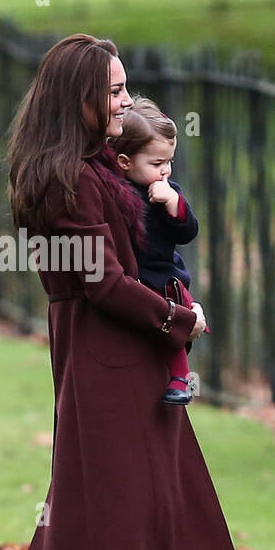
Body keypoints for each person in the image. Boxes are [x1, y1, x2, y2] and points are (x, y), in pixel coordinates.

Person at [0, 35, 234, 550]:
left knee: (184, 536)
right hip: (108, 369)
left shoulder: (101, 163)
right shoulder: (62, 180)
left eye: (125, 88)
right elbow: (101, 284)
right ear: (77, 98)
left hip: (140, 362)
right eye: (112, 91)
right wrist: (177, 316)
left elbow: (149, 229)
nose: (124, 102)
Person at [110, 97, 206, 405]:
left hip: (164, 273)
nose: (165, 171)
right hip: (133, 275)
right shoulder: (115, 192)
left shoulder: (167, 194)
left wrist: (175, 205)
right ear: (125, 162)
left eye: (169, 162)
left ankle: (181, 378)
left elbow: (188, 231)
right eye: (156, 164)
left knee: (175, 316)